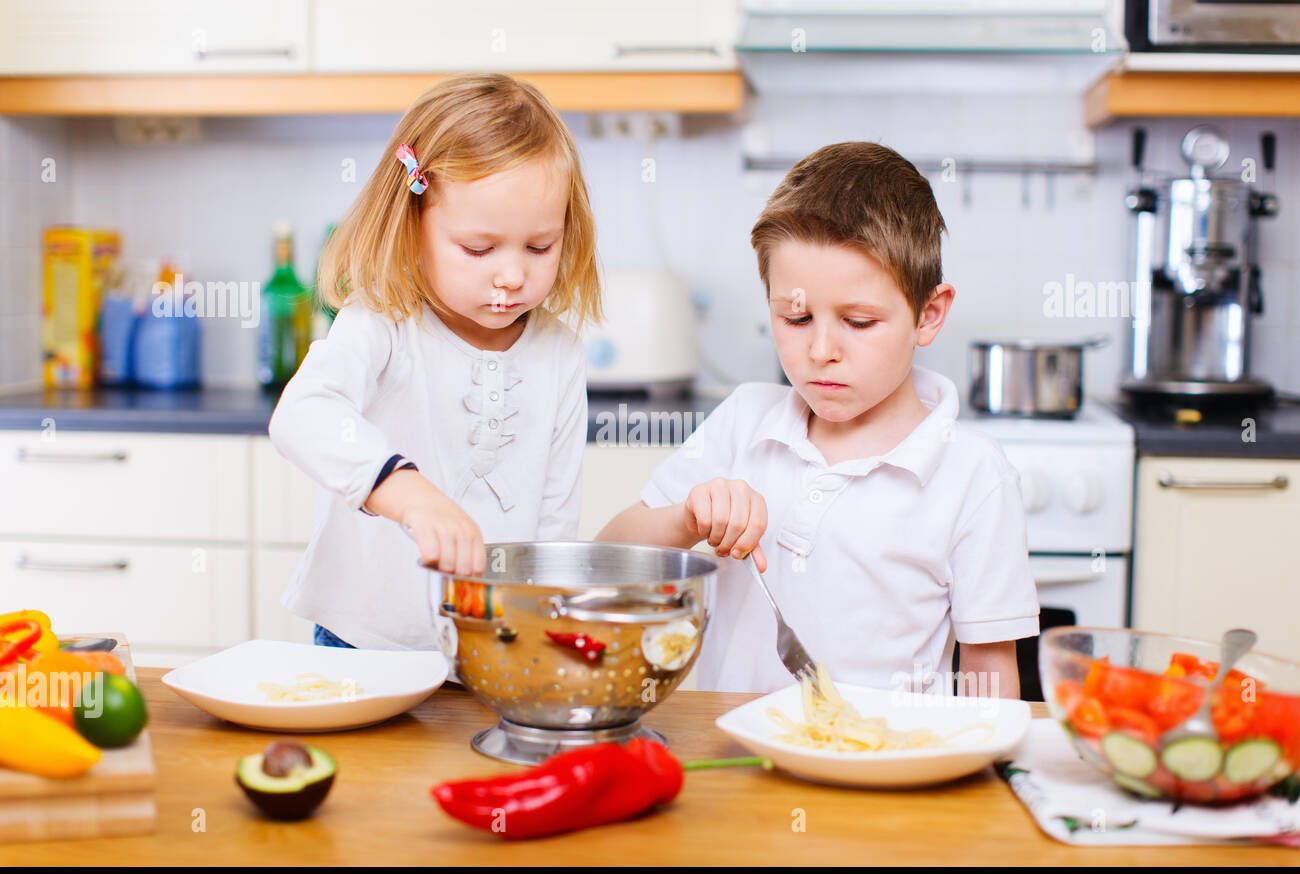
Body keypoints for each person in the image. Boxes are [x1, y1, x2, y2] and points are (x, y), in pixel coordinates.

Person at [597, 142, 1038, 697]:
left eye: (857, 321)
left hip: (885, 767)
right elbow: (609, 560)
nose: (821, 350)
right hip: (738, 760)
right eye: (796, 316)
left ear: (928, 314)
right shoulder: (743, 422)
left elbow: (988, 673)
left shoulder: (973, 475)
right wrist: (685, 520)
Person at [269, 73, 601, 651]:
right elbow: (302, 414)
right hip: (364, 642)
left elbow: (553, 522)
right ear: (412, 223)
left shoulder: (560, 354)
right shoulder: (382, 322)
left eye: (540, 246)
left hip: (495, 643)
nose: (513, 275)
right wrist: (408, 492)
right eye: (478, 249)